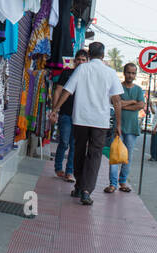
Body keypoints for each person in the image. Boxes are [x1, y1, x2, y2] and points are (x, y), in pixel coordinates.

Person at [49, 41, 122, 205]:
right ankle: (86, 190)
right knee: (95, 156)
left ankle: (80, 186)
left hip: (80, 119)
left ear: (89, 55)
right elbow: (117, 101)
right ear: (103, 55)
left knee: (79, 152)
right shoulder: (110, 73)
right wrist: (118, 124)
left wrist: (56, 109)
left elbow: (67, 91)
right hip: (100, 122)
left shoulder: (82, 69)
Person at [106, 63, 145, 193]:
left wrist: (123, 105)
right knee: (115, 155)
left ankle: (122, 181)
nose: (131, 75)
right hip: (118, 127)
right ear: (124, 72)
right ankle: (112, 183)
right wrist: (131, 102)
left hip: (132, 128)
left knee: (127, 157)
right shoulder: (118, 87)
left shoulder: (139, 90)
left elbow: (140, 105)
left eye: (133, 73)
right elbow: (115, 102)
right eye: (128, 72)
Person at [51, 49, 88, 182]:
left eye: (84, 60)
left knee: (74, 145)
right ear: (74, 61)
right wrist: (54, 110)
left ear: (87, 61)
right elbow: (58, 91)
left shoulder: (88, 77)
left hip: (80, 115)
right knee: (64, 142)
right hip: (65, 113)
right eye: (78, 59)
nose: (81, 62)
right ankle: (58, 167)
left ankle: (69, 172)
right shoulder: (67, 73)